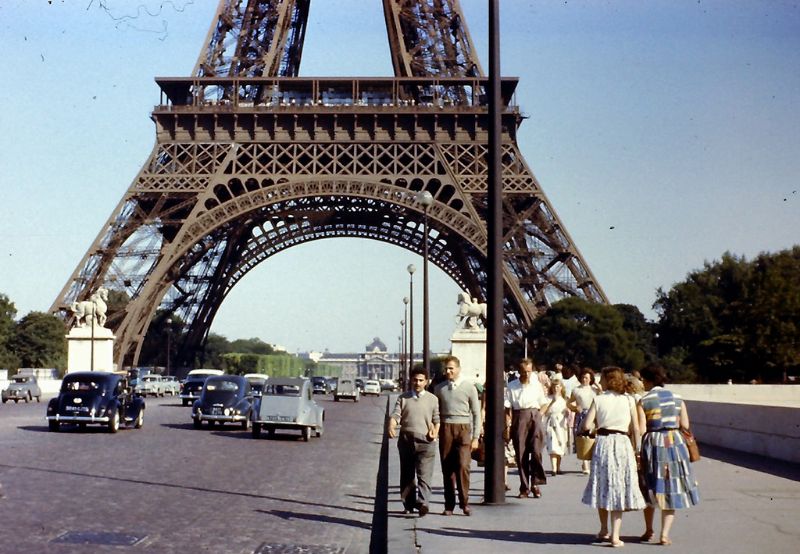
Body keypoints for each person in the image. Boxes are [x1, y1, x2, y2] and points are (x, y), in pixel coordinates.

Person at [580, 366, 646, 548]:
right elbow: (636, 429)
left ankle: (603, 529)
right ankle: (615, 536)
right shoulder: (628, 400)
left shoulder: (599, 399)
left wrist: (593, 428)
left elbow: (586, 425)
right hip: (623, 443)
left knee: (603, 485)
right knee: (618, 487)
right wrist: (637, 449)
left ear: (608, 380)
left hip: (604, 443)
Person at [637, 363, 700, 545]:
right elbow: (685, 425)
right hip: (675, 443)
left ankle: (649, 529)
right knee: (672, 487)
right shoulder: (677, 398)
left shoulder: (644, 400)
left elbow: (641, 429)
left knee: (650, 486)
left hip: (654, 443)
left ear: (647, 380)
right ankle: (665, 534)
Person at [388, 367, 440, 517]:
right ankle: (408, 504)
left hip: (426, 441)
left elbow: (437, 420)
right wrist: (391, 425)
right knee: (407, 474)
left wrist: (435, 431)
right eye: (415, 380)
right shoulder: (403, 398)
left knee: (424, 474)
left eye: (421, 380)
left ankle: (423, 503)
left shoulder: (433, 399)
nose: (417, 383)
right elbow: (396, 415)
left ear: (426, 382)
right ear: (411, 380)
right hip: (406, 440)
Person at [434, 355, 482, 516]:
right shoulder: (439, 389)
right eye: (446, 369)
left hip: (463, 428)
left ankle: (465, 502)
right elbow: (435, 412)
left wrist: (475, 437)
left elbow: (476, 413)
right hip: (446, 428)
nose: (448, 372)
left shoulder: (469, 388)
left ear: (458, 369)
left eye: (451, 368)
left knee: (463, 465)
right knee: (447, 468)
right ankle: (449, 505)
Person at [504, 358, 548, 498]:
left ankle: (535, 482)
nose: (527, 374)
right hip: (519, 416)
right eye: (524, 372)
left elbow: (544, 403)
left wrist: (539, 415)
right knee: (521, 454)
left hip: (535, 415)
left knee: (536, 451)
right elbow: (507, 407)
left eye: (529, 371)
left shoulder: (537, 386)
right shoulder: (512, 386)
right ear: (519, 372)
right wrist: (508, 424)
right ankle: (524, 487)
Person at [568, 367, 598, 474]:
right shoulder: (576, 390)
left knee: (592, 437)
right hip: (581, 415)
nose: (584, 379)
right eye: (583, 377)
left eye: (586, 378)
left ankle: (591, 460)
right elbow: (568, 402)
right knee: (582, 437)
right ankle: (585, 463)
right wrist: (574, 408)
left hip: (592, 415)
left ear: (590, 379)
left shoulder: (594, 391)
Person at [542, 380, 570, 476]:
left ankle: (558, 467)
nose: (556, 388)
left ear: (561, 387)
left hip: (561, 424)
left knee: (560, 444)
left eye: (558, 386)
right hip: (552, 423)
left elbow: (567, 410)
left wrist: (567, 411)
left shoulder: (564, 399)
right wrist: (552, 402)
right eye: (554, 387)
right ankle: (553, 468)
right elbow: (545, 412)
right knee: (553, 445)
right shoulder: (548, 398)